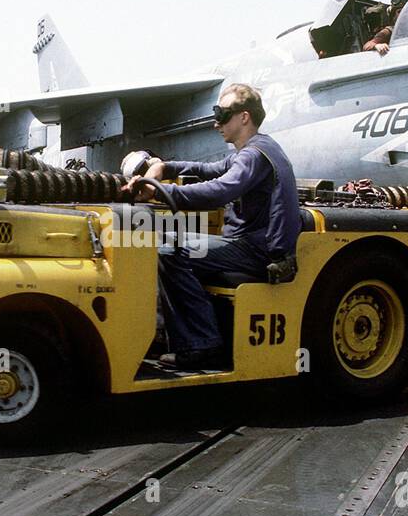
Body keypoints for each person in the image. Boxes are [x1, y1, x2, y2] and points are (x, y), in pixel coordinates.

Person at [124, 83, 301, 369]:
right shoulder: (255, 149)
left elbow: (221, 190)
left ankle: (201, 343)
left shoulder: (254, 155)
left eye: (223, 114)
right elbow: (207, 170)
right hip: (250, 243)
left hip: (256, 248)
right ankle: (169, 331)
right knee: (160, 237)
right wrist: (165, 168)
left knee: (169, 250)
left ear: (244, 117)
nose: (216, 123)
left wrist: (160, 192)